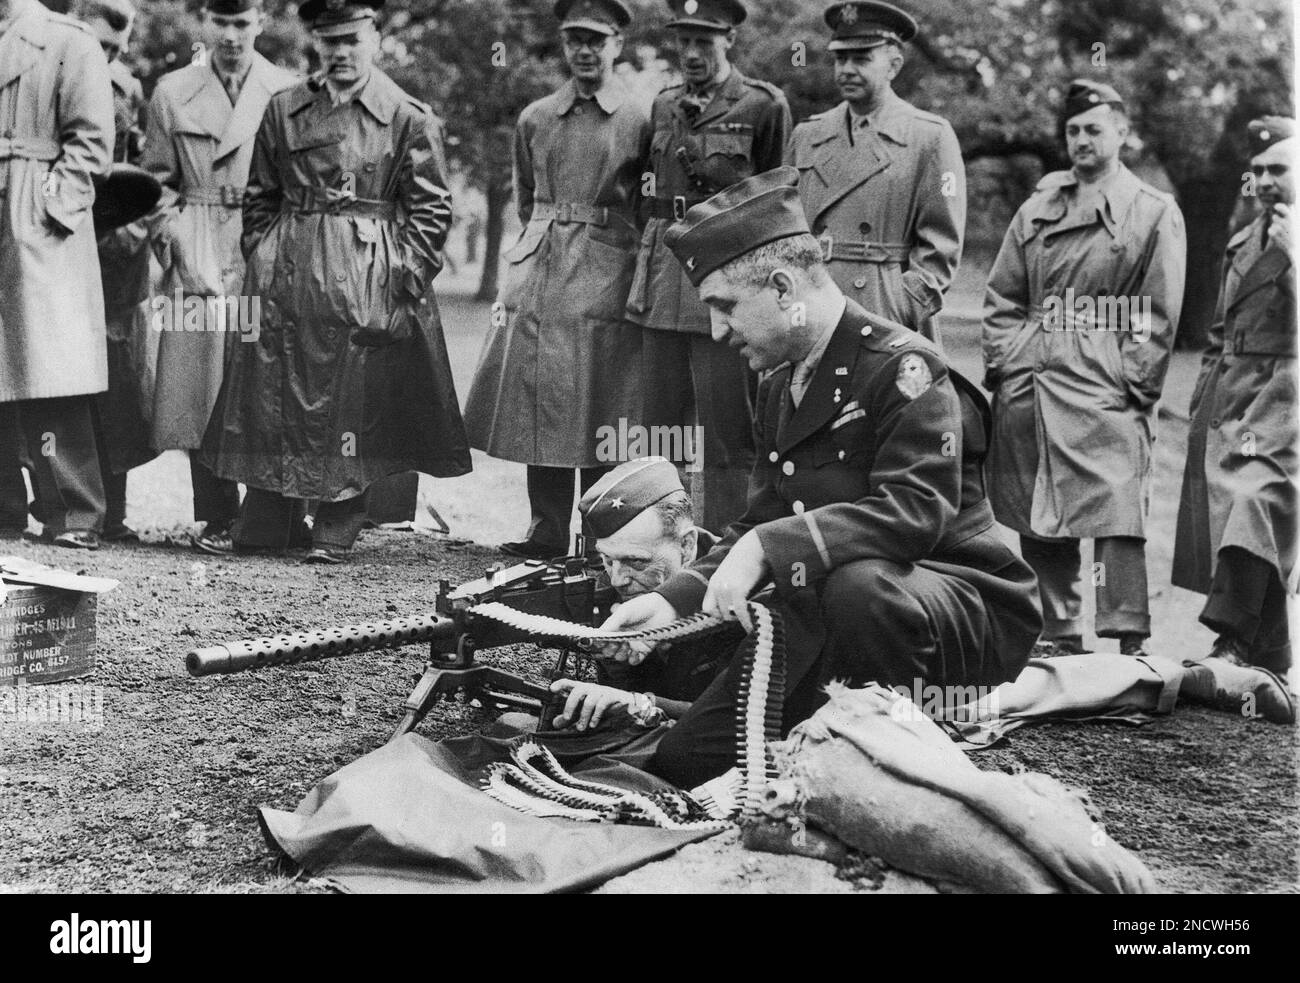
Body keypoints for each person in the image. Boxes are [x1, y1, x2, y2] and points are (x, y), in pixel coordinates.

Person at [600, 168, 1042, 787]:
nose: (717, 331)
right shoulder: (779, 382)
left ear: (783, 288)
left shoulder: (905, 369)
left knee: (858, 590)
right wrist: (670, 600)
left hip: (951, 602)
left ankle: (890, 757)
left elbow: (918, 512)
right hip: (822, 606)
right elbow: (760, 521)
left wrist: (770, 546)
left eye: (724, 307)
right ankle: (822, 731)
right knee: (684, 764)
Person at [201, 0, 471, 564]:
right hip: (287, 273)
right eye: (330, 41)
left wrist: (402, 277)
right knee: (272, 393)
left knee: (353, 400)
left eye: (352, 39)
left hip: (366, 274)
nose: (341, 52)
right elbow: (261, 196)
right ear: (316, 44)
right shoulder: (285, 108)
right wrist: (265, 257)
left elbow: (430, 210)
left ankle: (337, 522)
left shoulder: (405, 116)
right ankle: (269, 519)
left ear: (374, 38)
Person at [982, 80, 1186, 658]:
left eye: (1094, 129)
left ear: (1122, 132)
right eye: (1072, 130)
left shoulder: (1151, 211)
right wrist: (1010, 360)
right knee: (1038, 509)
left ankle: (1128, 637)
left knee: (1116, 506)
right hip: (1034, 373)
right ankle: (1059, 631)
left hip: (1104, 377)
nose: (1081, 140)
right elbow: (1003, 296)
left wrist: (1132, 380)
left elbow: (1156, 312)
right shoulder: (1038, 207)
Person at [464, 0, 652, 561]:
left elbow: (646, 205)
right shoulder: (537, 116)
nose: (585, 51)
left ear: (618, 44)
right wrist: (547, 238)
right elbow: (527, 199)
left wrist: (612, 251)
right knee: (540, 398)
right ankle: (545, 530)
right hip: (541, 266)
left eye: (597, 40)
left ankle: (597, 538)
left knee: (601, 402)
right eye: (575, 40)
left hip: (607, 267)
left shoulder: (640, 119)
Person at [626, 0, 791, 535]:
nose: (692, 53)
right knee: (658, 430)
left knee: (726, 431)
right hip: (662, 279)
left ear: (729, 40)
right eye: (684, 41)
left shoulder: (763, 105)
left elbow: (777, 203)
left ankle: (725, 546)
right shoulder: (663, 104)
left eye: (704, 41)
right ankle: (656, 545)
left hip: (726, 284)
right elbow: (645, 195)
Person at [142, 0, 298, 556]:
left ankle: (268, 515)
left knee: (265, 377)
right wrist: (176, 238)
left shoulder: (288, 91)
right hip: (199, 237)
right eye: (221, 22)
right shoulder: (171, 91)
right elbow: (156, 184)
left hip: (262, 238)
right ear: (205, 22)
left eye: (241, 22)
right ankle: (215, 513)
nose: (231, 35)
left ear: (260, 22)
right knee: (199, 380)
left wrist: (283, 248)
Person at [1172, 116, 1297, 685]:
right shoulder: (1244, 238)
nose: (1265, 181)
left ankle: (1232, 640)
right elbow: (1220, 331)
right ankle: (1271, 652)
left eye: (1279, 169)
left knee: (1255, 497)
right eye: (1259, 171)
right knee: (1240, 508)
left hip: (1286, 392)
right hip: (1235, 388)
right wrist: (1204, 398)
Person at [0, 0, 115, 549]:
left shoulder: (69, 40)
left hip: (35, 210)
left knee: (49, 365)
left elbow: (91, 142)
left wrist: (50, 208)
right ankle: (4, 507)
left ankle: (74, 512)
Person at [785, 1, 965, 345]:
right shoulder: (808, 134)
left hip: (881, 309)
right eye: (840, 59)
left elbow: (941, 246)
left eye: (862, 59)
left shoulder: (928, 137)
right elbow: (786, 226)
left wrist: (904, 305)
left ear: (894, 65)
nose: (847, 70)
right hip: (811, 304)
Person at [546, 456, 733, 731]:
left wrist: (640, 703)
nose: (618, 580)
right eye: (607, 560)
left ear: (686, 545)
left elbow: (740, 721)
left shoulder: (742, 593)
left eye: (636, 561)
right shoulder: (609, 590)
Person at [71, 0, 158, 544]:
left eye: (115, 49)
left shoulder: (127, 89)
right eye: (98, 44)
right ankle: (56, 502)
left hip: (115, 250)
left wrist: (128, 233)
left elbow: (146, 173)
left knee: (117, 377)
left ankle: (113, 509)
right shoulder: (47, 71)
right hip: (58, 240)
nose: (104, 57)